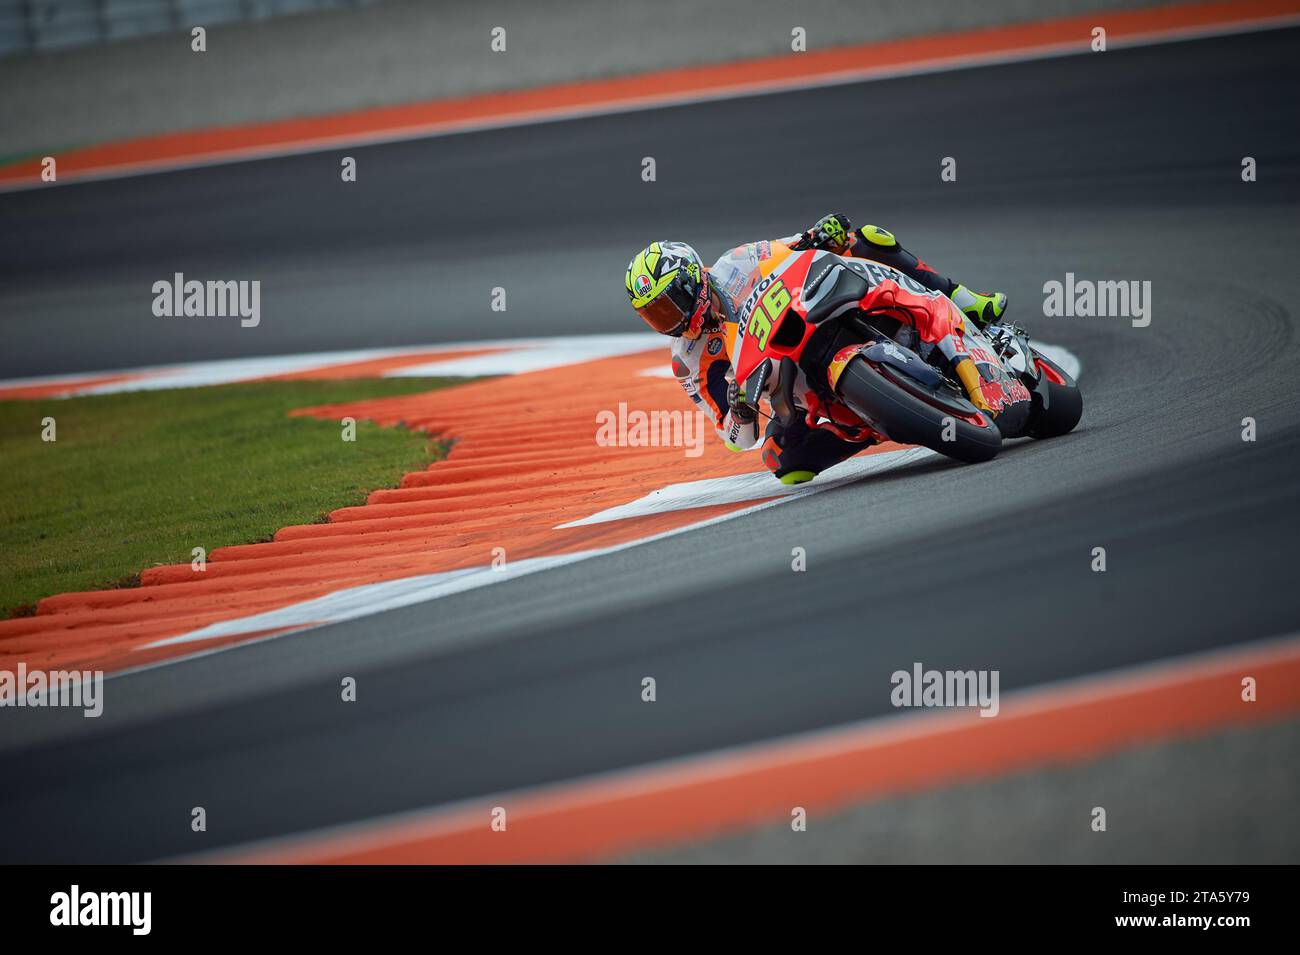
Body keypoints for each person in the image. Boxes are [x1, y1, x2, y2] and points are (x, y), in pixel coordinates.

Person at [624, 214, 1008, 484]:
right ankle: (873, 421)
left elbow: (794, 246)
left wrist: (822, 231)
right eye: (654, 315)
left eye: (669, 303)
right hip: (794, 381)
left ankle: (959, 296)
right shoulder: (688, 361)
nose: (668, 320)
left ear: (694, 281)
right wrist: (740, 406)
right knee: (782, 460)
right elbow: (737, 438)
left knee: (864, 238)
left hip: (816, 312)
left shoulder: (735, 264)